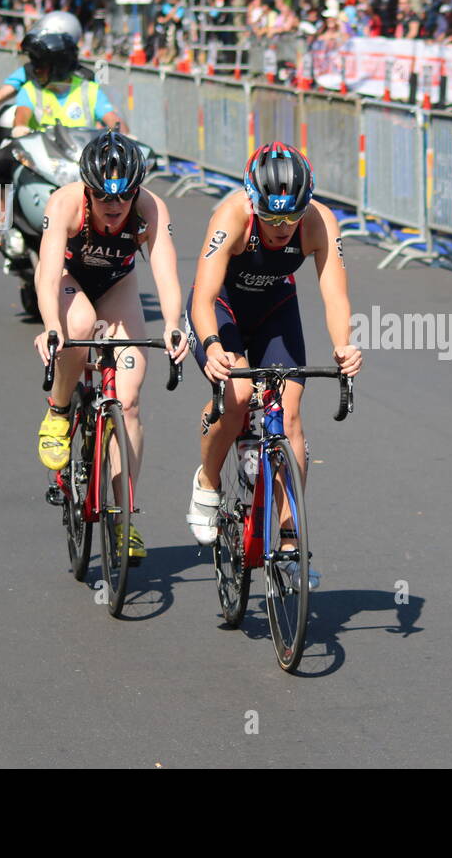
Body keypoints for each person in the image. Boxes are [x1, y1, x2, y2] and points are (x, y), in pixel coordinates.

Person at [184, 142, 363, 588]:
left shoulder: (319, 221)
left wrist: (344, 347)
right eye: (272, 217)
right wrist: (210, 347)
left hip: (273, 310)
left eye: (291, 217)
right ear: (253, 201)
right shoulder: (232, 216)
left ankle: (288, 536)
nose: (283, 228)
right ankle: (207, 481)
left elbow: (334, 294)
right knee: (239, 397)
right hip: (222, 310)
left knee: (291, 413)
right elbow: (203, 295)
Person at [32, 132, 188, 565]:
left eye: (122, 198)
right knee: (78, 326)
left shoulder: (149, 208)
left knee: (131, 400)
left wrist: (174, 325)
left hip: (118, 287)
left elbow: (166, 271)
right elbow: (46, 275)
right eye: (102, 198)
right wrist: (50, 326)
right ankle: (59, 409)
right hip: (69, 283)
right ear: (87, 189)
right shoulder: (65, 203)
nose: (114, 206)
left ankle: (123, 518)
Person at [0, 30, 121, 244]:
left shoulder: (89, 89)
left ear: (58, 65)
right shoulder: (31, 89)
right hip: (41, 154)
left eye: (40, 64)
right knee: (2, 160)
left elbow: (112, 118)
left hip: (81, 157)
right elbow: (22, 112)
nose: (35, 69)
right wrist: (20, 127)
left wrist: (123, 133)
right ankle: (4, 219)